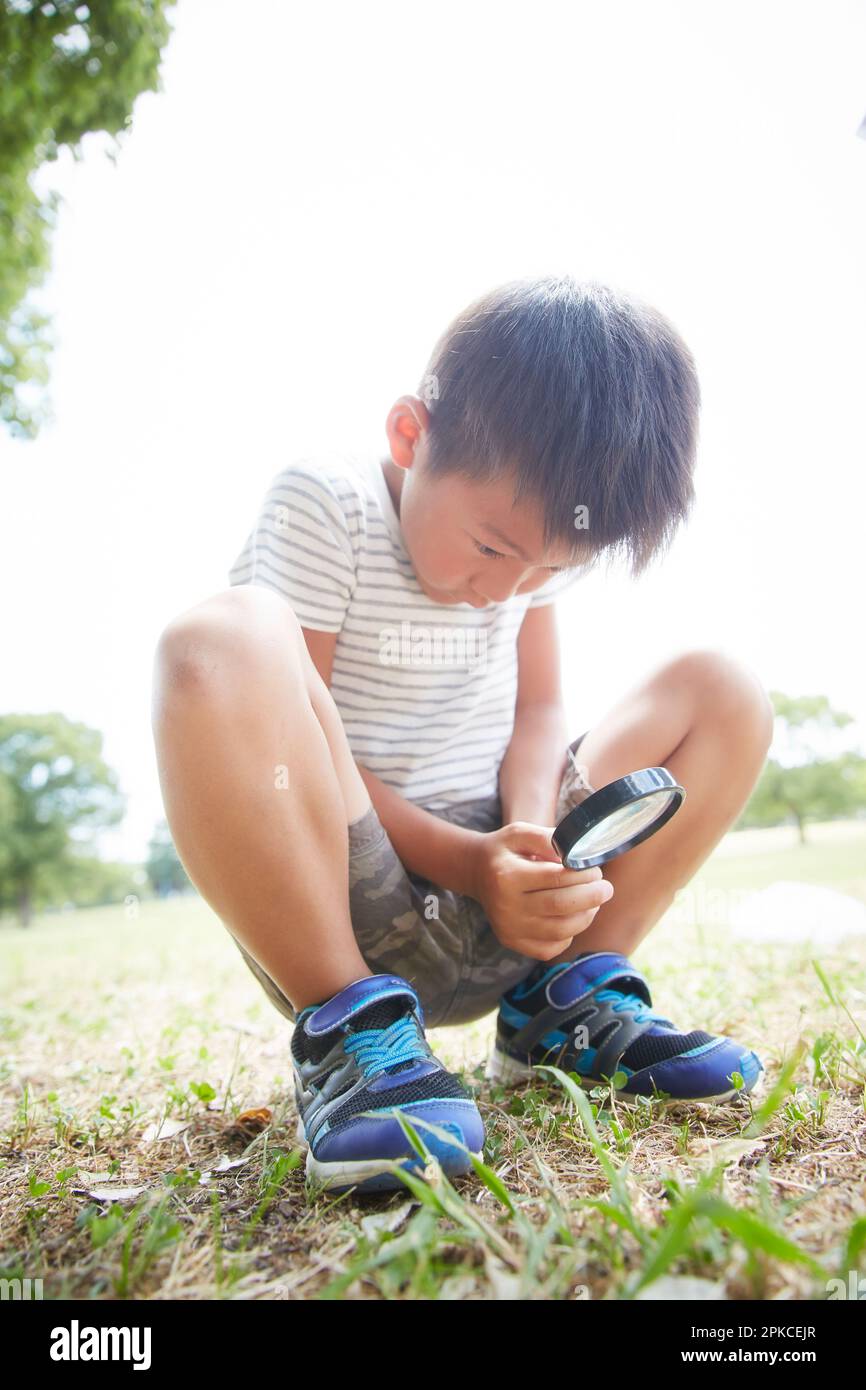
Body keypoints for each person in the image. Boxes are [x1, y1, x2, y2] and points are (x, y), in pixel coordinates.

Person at [151, 275, 773, 1195]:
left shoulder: (528, 562)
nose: (507, 591)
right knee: (217, 641)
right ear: (411, 434)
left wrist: (525, 841)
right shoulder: (329, 505)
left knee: (724, 690)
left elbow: (537, 714)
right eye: (490, 549)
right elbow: (300, 732)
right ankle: (350, 1038)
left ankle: (564, 1003)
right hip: (356, 897)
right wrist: (472, 860)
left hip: (504, 890)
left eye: (550, 569)